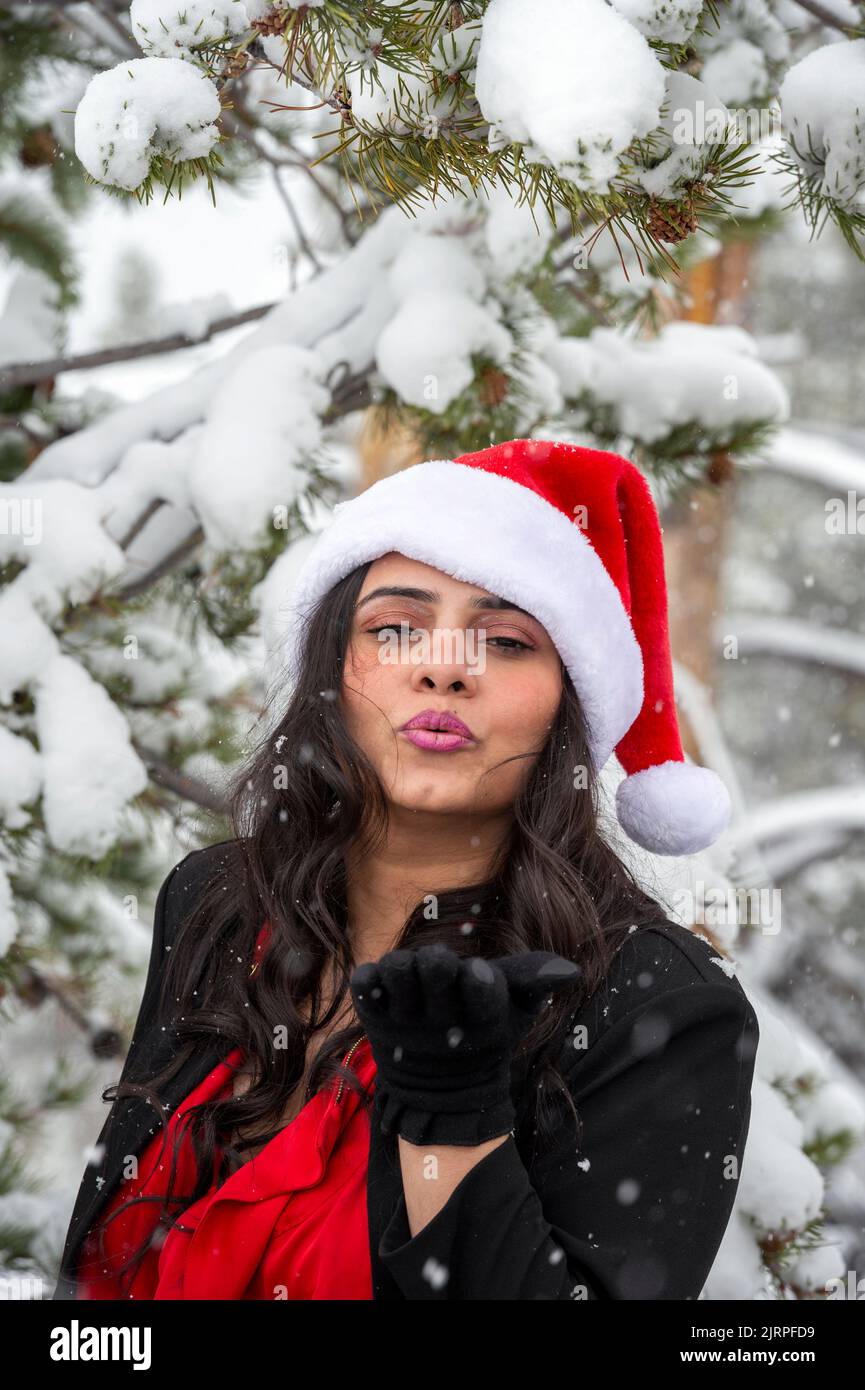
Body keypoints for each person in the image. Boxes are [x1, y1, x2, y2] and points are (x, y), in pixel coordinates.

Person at [53, 437, 759, 1301]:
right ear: (332, 668)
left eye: (504, 641)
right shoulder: (218, 902)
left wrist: (452, 1116)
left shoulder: (655, 999)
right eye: (395, 627)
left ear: (566, 703)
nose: (443, 668)